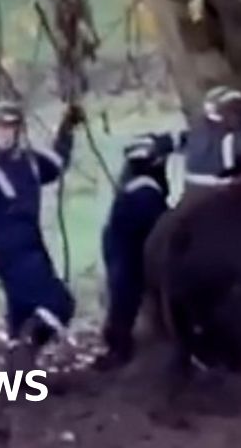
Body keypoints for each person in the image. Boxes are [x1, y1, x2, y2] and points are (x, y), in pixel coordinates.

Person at [0, 100, 85, 370]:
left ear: (18, 131)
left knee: (21, 314)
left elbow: (57, 163)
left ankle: (17, 372)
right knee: (60, 304)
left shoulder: (31, 163)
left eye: (9, 128)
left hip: (33, 247)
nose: (3, 134)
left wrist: (67, 129)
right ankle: (25, 353)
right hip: (9, 254)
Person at [93, 132, 180, 371]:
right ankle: (118, 348)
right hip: (126, 247)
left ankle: (120, 344)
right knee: (125, 295)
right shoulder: (145, 191)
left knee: (125, 293)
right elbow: (160, 222)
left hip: (122, 241)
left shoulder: (133, 180)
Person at [181, 85, 241, 197]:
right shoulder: (237, 137)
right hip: (223, 194)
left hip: (193, 192)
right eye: (237, 108)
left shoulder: (197, 131)